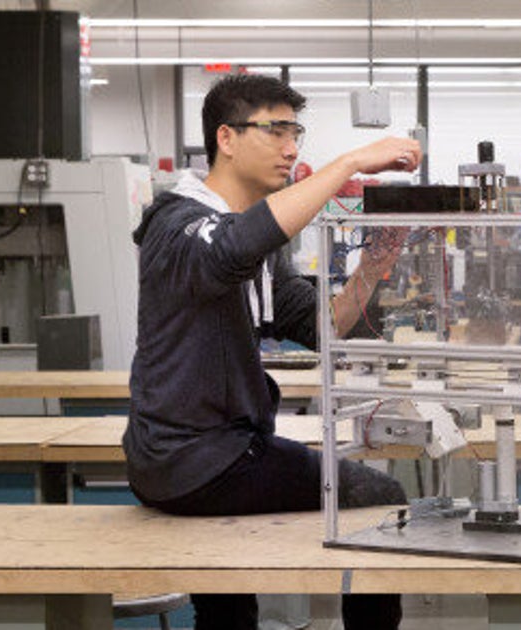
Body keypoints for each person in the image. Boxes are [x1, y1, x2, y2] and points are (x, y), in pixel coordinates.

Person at [123, 74, 422, 629]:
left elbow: (324, 325)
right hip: (197, 459)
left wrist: (376, 264)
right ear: (226, 138)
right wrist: (349, 163)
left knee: (229, 583)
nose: (291, 148)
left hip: (205, 456)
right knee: (381, 498)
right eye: (275, 130)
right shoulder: (176, 223)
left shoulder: (259, 246)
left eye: (296, 132)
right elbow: (229, 251)